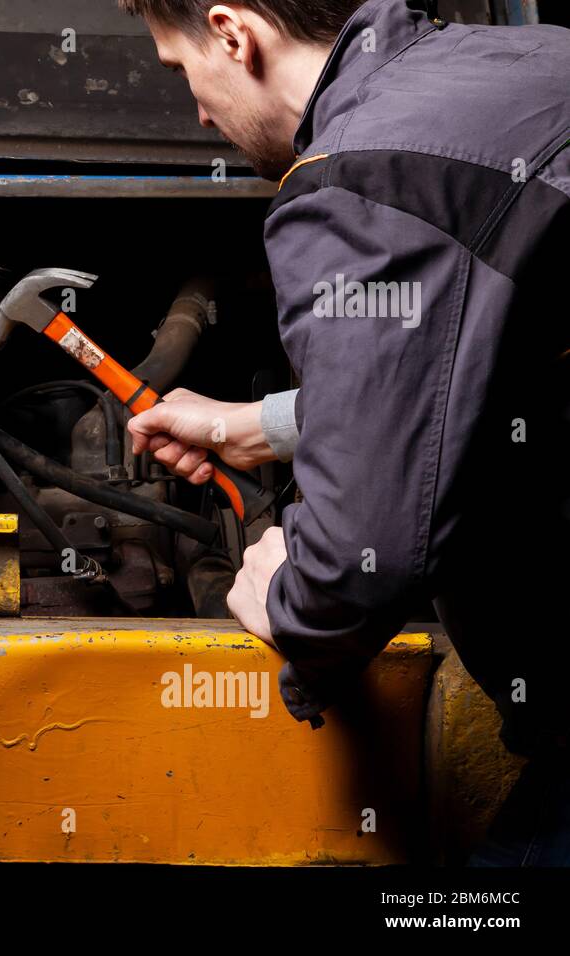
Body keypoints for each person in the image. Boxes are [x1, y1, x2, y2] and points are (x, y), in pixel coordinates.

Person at [117, 0, 570, 864]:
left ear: (231, 32)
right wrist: (262, 425)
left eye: (182, 73)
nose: (201, 113)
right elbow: (507, 371)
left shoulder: (362, 180)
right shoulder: (532, 71)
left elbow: (370, 552)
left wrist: (290, 597)